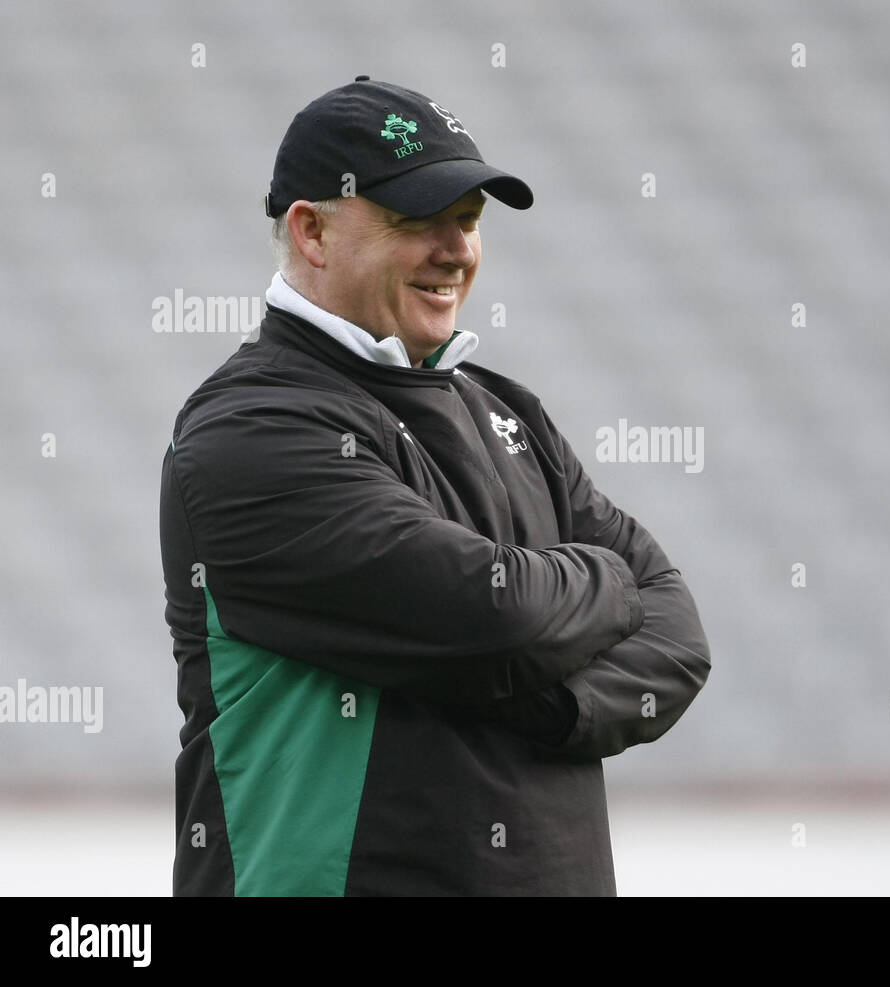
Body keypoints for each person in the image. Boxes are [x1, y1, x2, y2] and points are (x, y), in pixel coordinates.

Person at [159, 77, 711, 896]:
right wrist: (598, 589)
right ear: (311, 230)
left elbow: (678, 636)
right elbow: (496, 617)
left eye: (470, 220)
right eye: (418, 219)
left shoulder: (506, 409)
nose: (455, 249)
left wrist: (548, 702)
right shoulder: (250, 431)